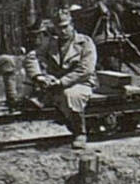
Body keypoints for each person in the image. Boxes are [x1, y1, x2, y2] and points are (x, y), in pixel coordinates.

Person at [23, 8, 98, 149]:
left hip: (80, 82)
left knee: (70, 95)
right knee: (29, 94)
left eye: (65, 27)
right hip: (54, 82)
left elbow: (86, 70)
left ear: (72, 25)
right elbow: (32, 57)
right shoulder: (51, 42)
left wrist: (61, 81)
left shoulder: (85, 42)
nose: (62, 31)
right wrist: (39, 76)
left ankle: (79, 133)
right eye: (59, 28)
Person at [88, 0, 126, 72]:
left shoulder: (113, 8)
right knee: (109, 64)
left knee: (111, 64)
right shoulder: (102, 7)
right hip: (106, 40)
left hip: (109, 40)